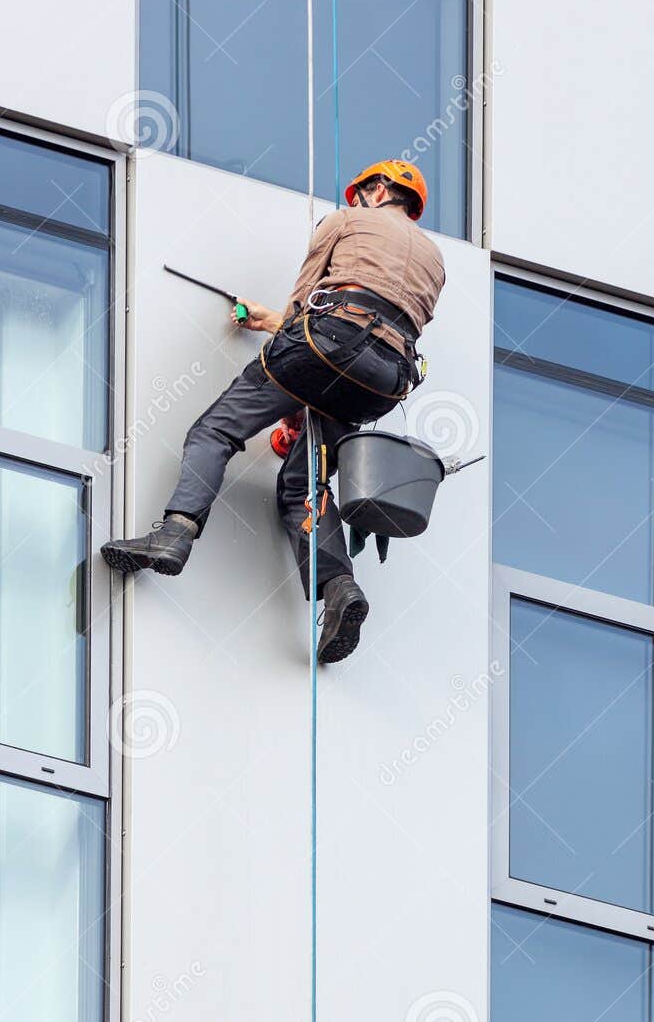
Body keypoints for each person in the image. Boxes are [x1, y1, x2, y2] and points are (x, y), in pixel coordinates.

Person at [102, 160, 446, 663]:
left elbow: (306, 307)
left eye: (360, 193)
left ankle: (175, 534)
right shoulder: (435, 259)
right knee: (302, 486)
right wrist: (275, 336)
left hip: (324, 346)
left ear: (375, 190)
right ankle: (338, 589)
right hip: (383, 381)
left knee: (215, 430)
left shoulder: (344, 221)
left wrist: (279, 339)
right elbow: (379, 319)